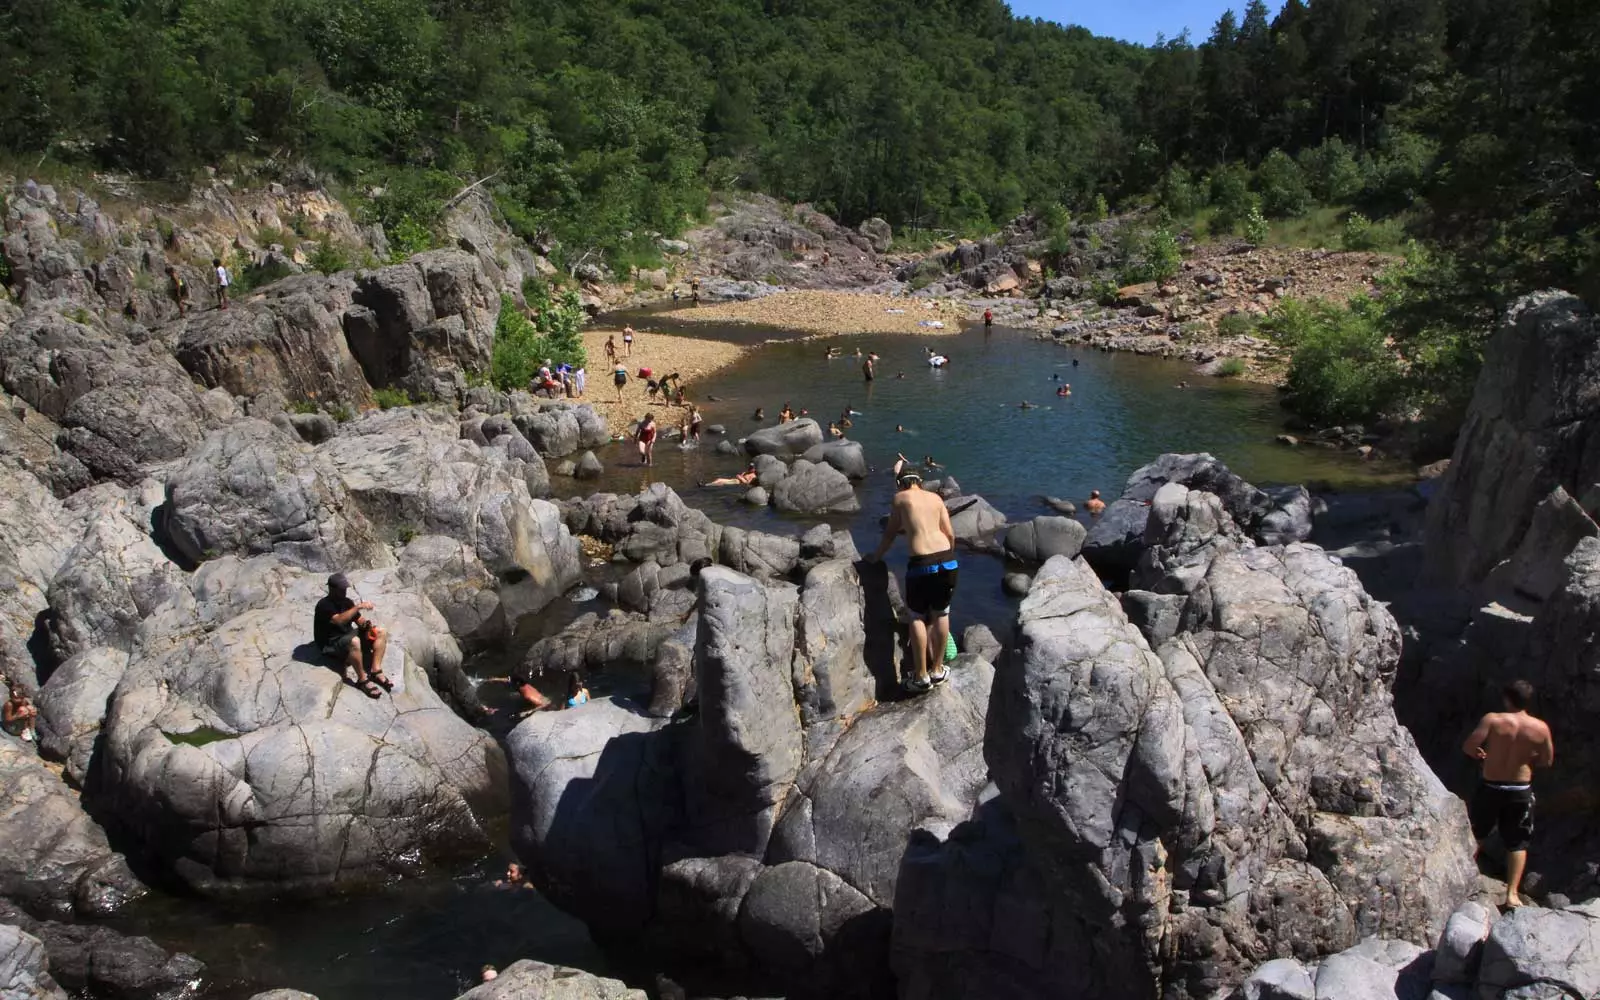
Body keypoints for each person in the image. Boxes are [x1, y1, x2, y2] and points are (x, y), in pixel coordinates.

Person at [868, 460, 958, 694]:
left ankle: (921, 677)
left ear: (901, 484)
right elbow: (950, 534)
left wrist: (875, 558)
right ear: (920, 482)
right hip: (947, 560)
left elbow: (889, 535)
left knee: (917, 616)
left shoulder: (900, 499)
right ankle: (938, 670)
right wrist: (947, 558)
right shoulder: (936, 499)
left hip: (921, 564)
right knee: (941, 612)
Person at [1462, 680, 1554, 908]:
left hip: (1491, 785)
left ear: (1506, 698)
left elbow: (1469, 747)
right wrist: (1526, 758)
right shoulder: (1540, 728)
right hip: (1519, 789)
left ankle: (1462, 881)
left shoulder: (1493, 720)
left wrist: (1483, 755)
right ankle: (1512, 894)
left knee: (1476, 835)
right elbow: (1547, 760)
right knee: (1517, 842)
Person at [313, 573, 391, 699]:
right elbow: (339, 620)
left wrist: (367, 627)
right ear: (332, 589)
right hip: (330, 643)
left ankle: (376, 670)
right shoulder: (324, 605)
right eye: (341, 590)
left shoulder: (347, 602)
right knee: (354, 641)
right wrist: (358, 606)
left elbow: (359, 620)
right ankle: (362, 679)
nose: (344, 592)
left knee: (381, 631)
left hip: (346, 637)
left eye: (345, 589)